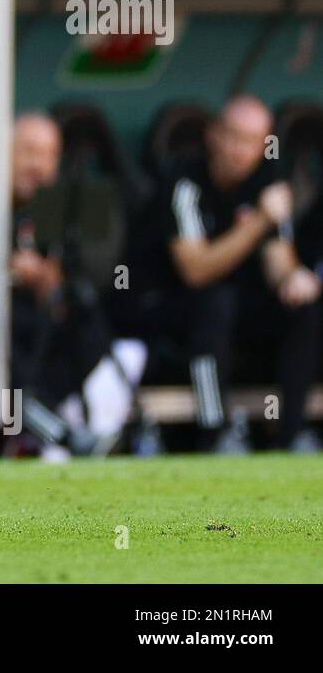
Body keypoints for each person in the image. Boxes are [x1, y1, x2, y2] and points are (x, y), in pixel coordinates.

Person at [113, 95, 321, 451]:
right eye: (233, 137)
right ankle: (215, 432)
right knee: (214, 303)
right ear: (213, 135)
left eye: (253, 141)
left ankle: (292, 435)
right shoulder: (184, 182)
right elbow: (196, 271)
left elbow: (278, 260)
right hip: (160, 311)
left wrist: (293, 278)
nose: (240, 150)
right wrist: (258, 222)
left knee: (304, 309)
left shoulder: (265, 180)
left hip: (232, 314)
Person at [0, 113, 114, 458]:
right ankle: (50, 428)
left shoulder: (50, 202)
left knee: (88, 325)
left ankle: (37, 415)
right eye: (29, 152)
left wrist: (49, 279)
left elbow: (61, 265)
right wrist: (2, 263)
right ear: (5, 151)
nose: (38, 165)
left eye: (48, 155)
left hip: (23, 318)